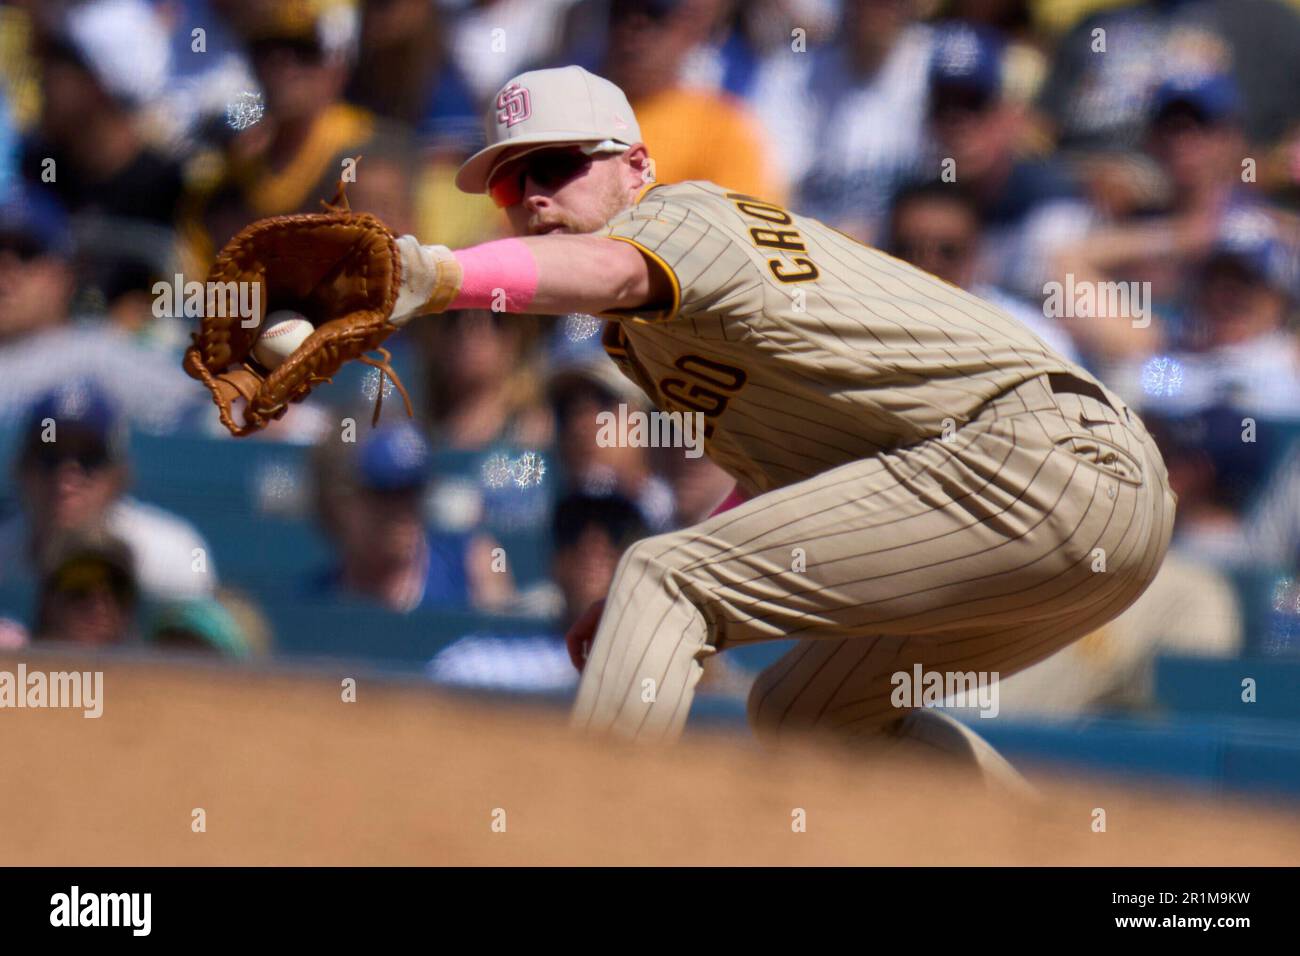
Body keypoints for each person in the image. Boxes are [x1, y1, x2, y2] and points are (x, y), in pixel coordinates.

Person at [378, 64, 1178, 786]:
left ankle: (583, 839)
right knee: (810, 714)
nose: (535, 199)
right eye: (512, 189)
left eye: (554, 167)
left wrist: (436, 271)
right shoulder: (651, 331)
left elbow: (609, 268)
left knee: (664, 574)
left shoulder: (681, 215)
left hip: (1037, 457)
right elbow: (783, 482)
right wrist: (645, 625)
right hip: (1068, 509)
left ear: (637, 166)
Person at [0, 381, 218, 601]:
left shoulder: (171, 556)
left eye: (89, 460)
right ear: (22, 470)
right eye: (50, 457)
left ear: (118, 477)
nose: (66, 478)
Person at [308, 421, 515, 613]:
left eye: (413, 491)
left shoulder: (473, 566)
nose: (404, 510)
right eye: (386, 493)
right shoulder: (316, 600)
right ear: (342, 505)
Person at [32, 527, 139, 648]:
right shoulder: (13, 662)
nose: (99, 606)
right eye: (81, 586)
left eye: (116, 587)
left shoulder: (155, 664)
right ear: (47, 601)